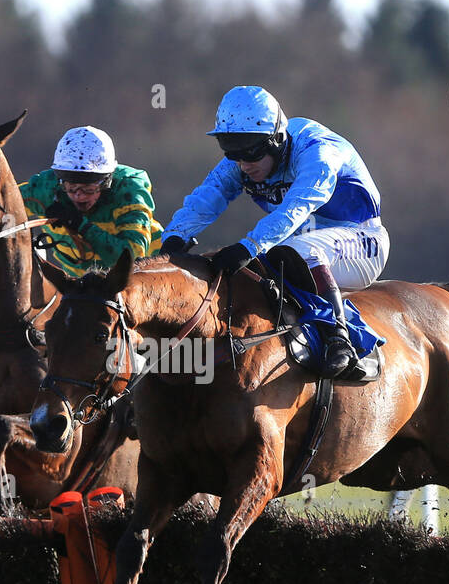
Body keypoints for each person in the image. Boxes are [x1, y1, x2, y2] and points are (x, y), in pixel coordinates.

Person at [161, 86, 388, 379]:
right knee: (261, 264)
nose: (243, 164)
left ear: (277, 140)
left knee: (296, 251)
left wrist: (248, 245)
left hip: (362, 242)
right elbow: (208, 196)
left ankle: (339, 336)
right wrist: (174, 237)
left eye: (251, 153)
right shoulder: (244, 158)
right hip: (294, 247)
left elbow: (293, 210)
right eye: (231, 151)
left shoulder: (318, 152)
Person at [20, 126, 163, 278]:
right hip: (83, 284)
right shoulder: (46, 188)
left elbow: (131, 260)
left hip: (146, 278)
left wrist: (81, 226)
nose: (78, 196)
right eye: (71, 187)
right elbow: (2, 202)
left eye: (88, 188)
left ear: (106, 182)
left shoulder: (129, 189)